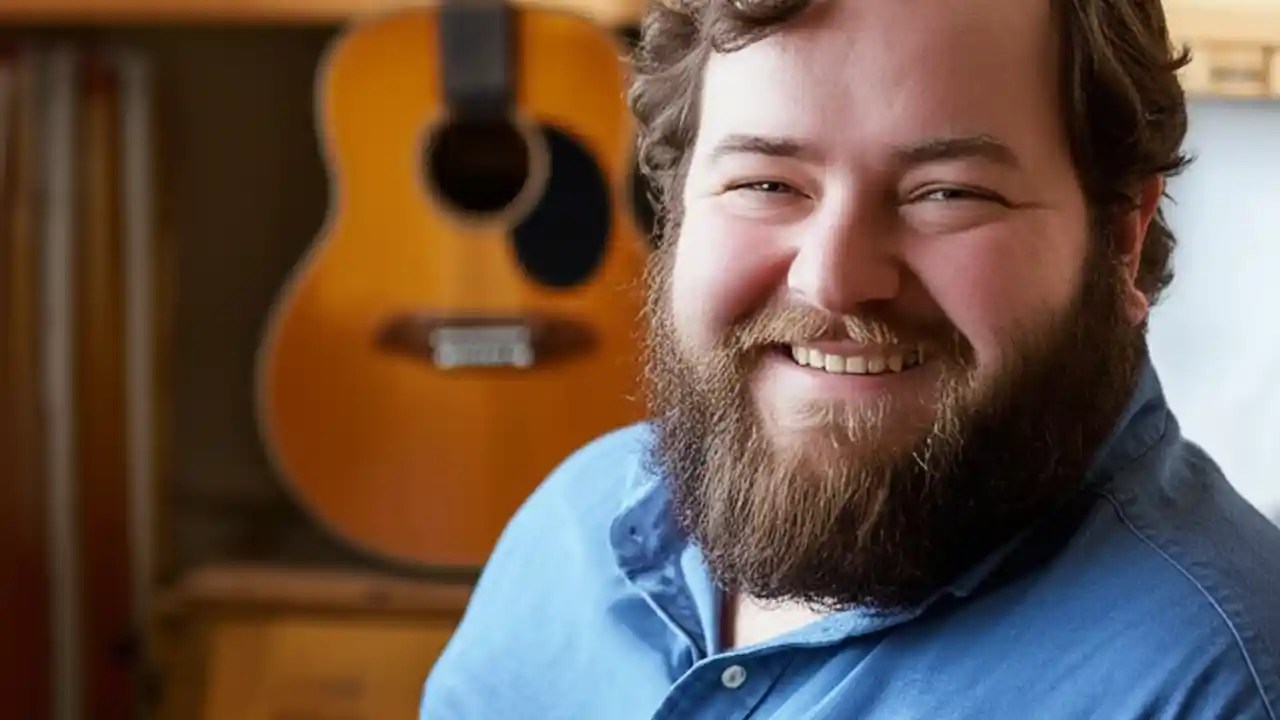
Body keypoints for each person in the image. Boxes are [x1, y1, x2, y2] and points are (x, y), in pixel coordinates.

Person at [420, 0, 1280, 716]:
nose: (833, 280)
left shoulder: (1214, 685)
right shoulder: (573, 530)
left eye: (947, 194)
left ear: (1120, 240)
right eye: (766, 182)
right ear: (679, 201)